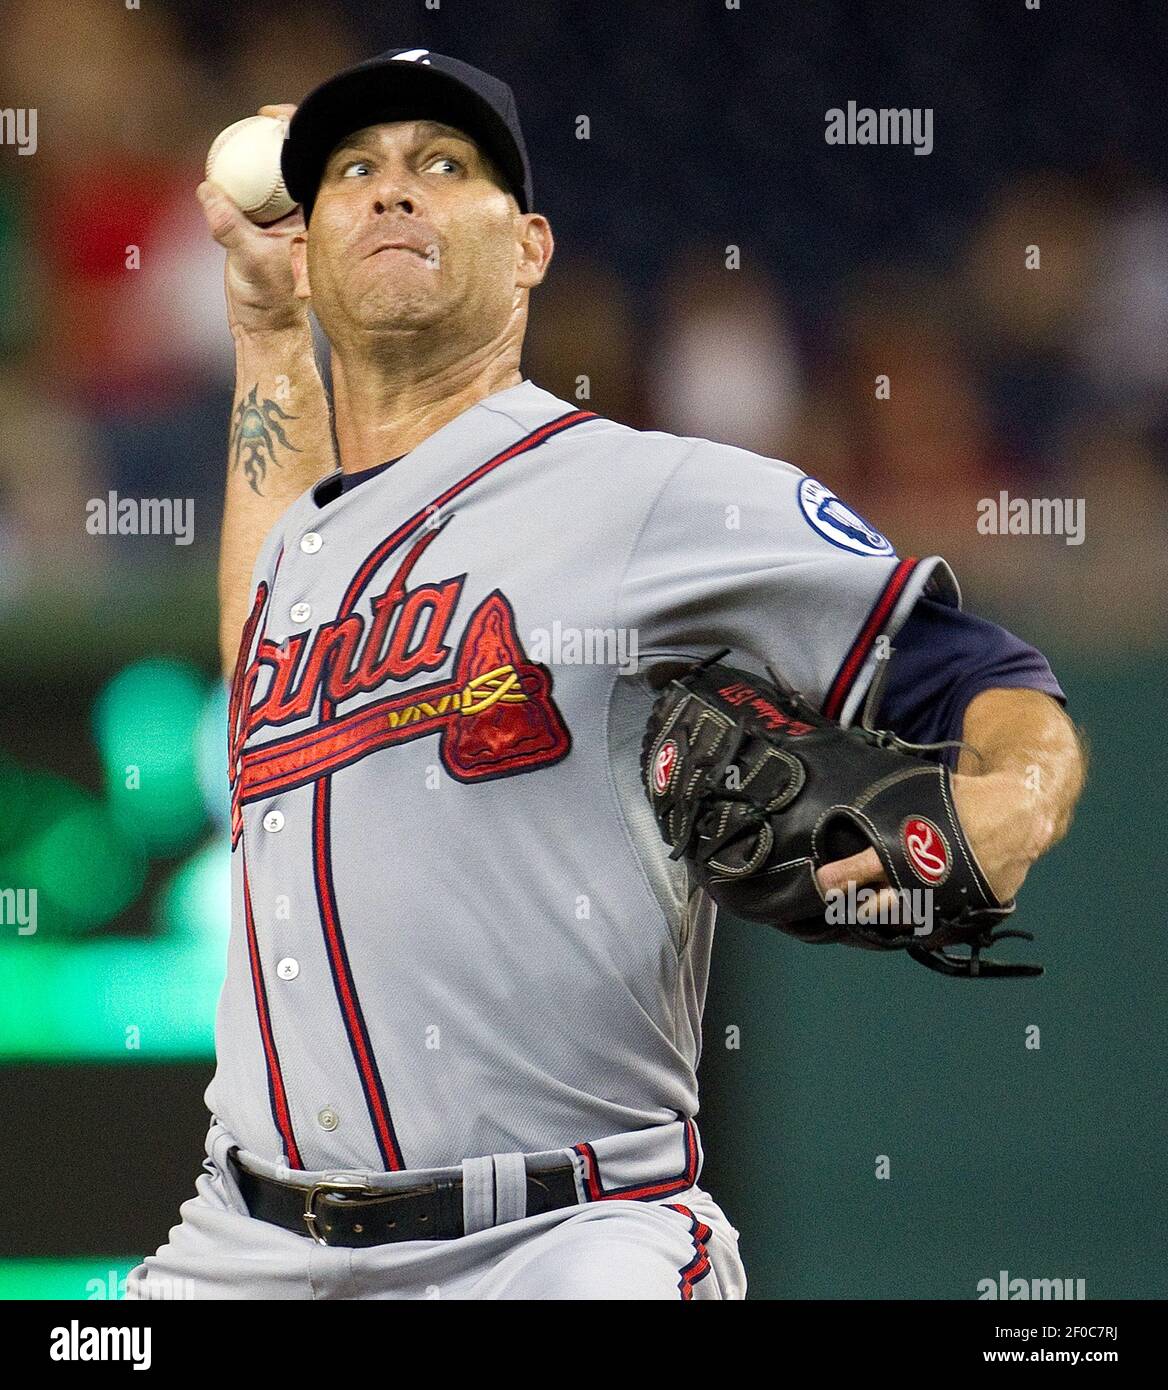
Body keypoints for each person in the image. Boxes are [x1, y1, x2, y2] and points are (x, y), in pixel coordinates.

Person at [126, 49, 1085, 1301]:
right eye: (355, 168)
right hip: (244, 1242)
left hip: (562, 1235)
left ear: (527, 247)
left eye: (444, 165)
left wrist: (1014, 795)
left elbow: (975, 665)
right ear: (310, 247)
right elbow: (263, 673)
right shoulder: (306, 538)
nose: (395, 189)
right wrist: (264, 328)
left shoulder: (647, 493)